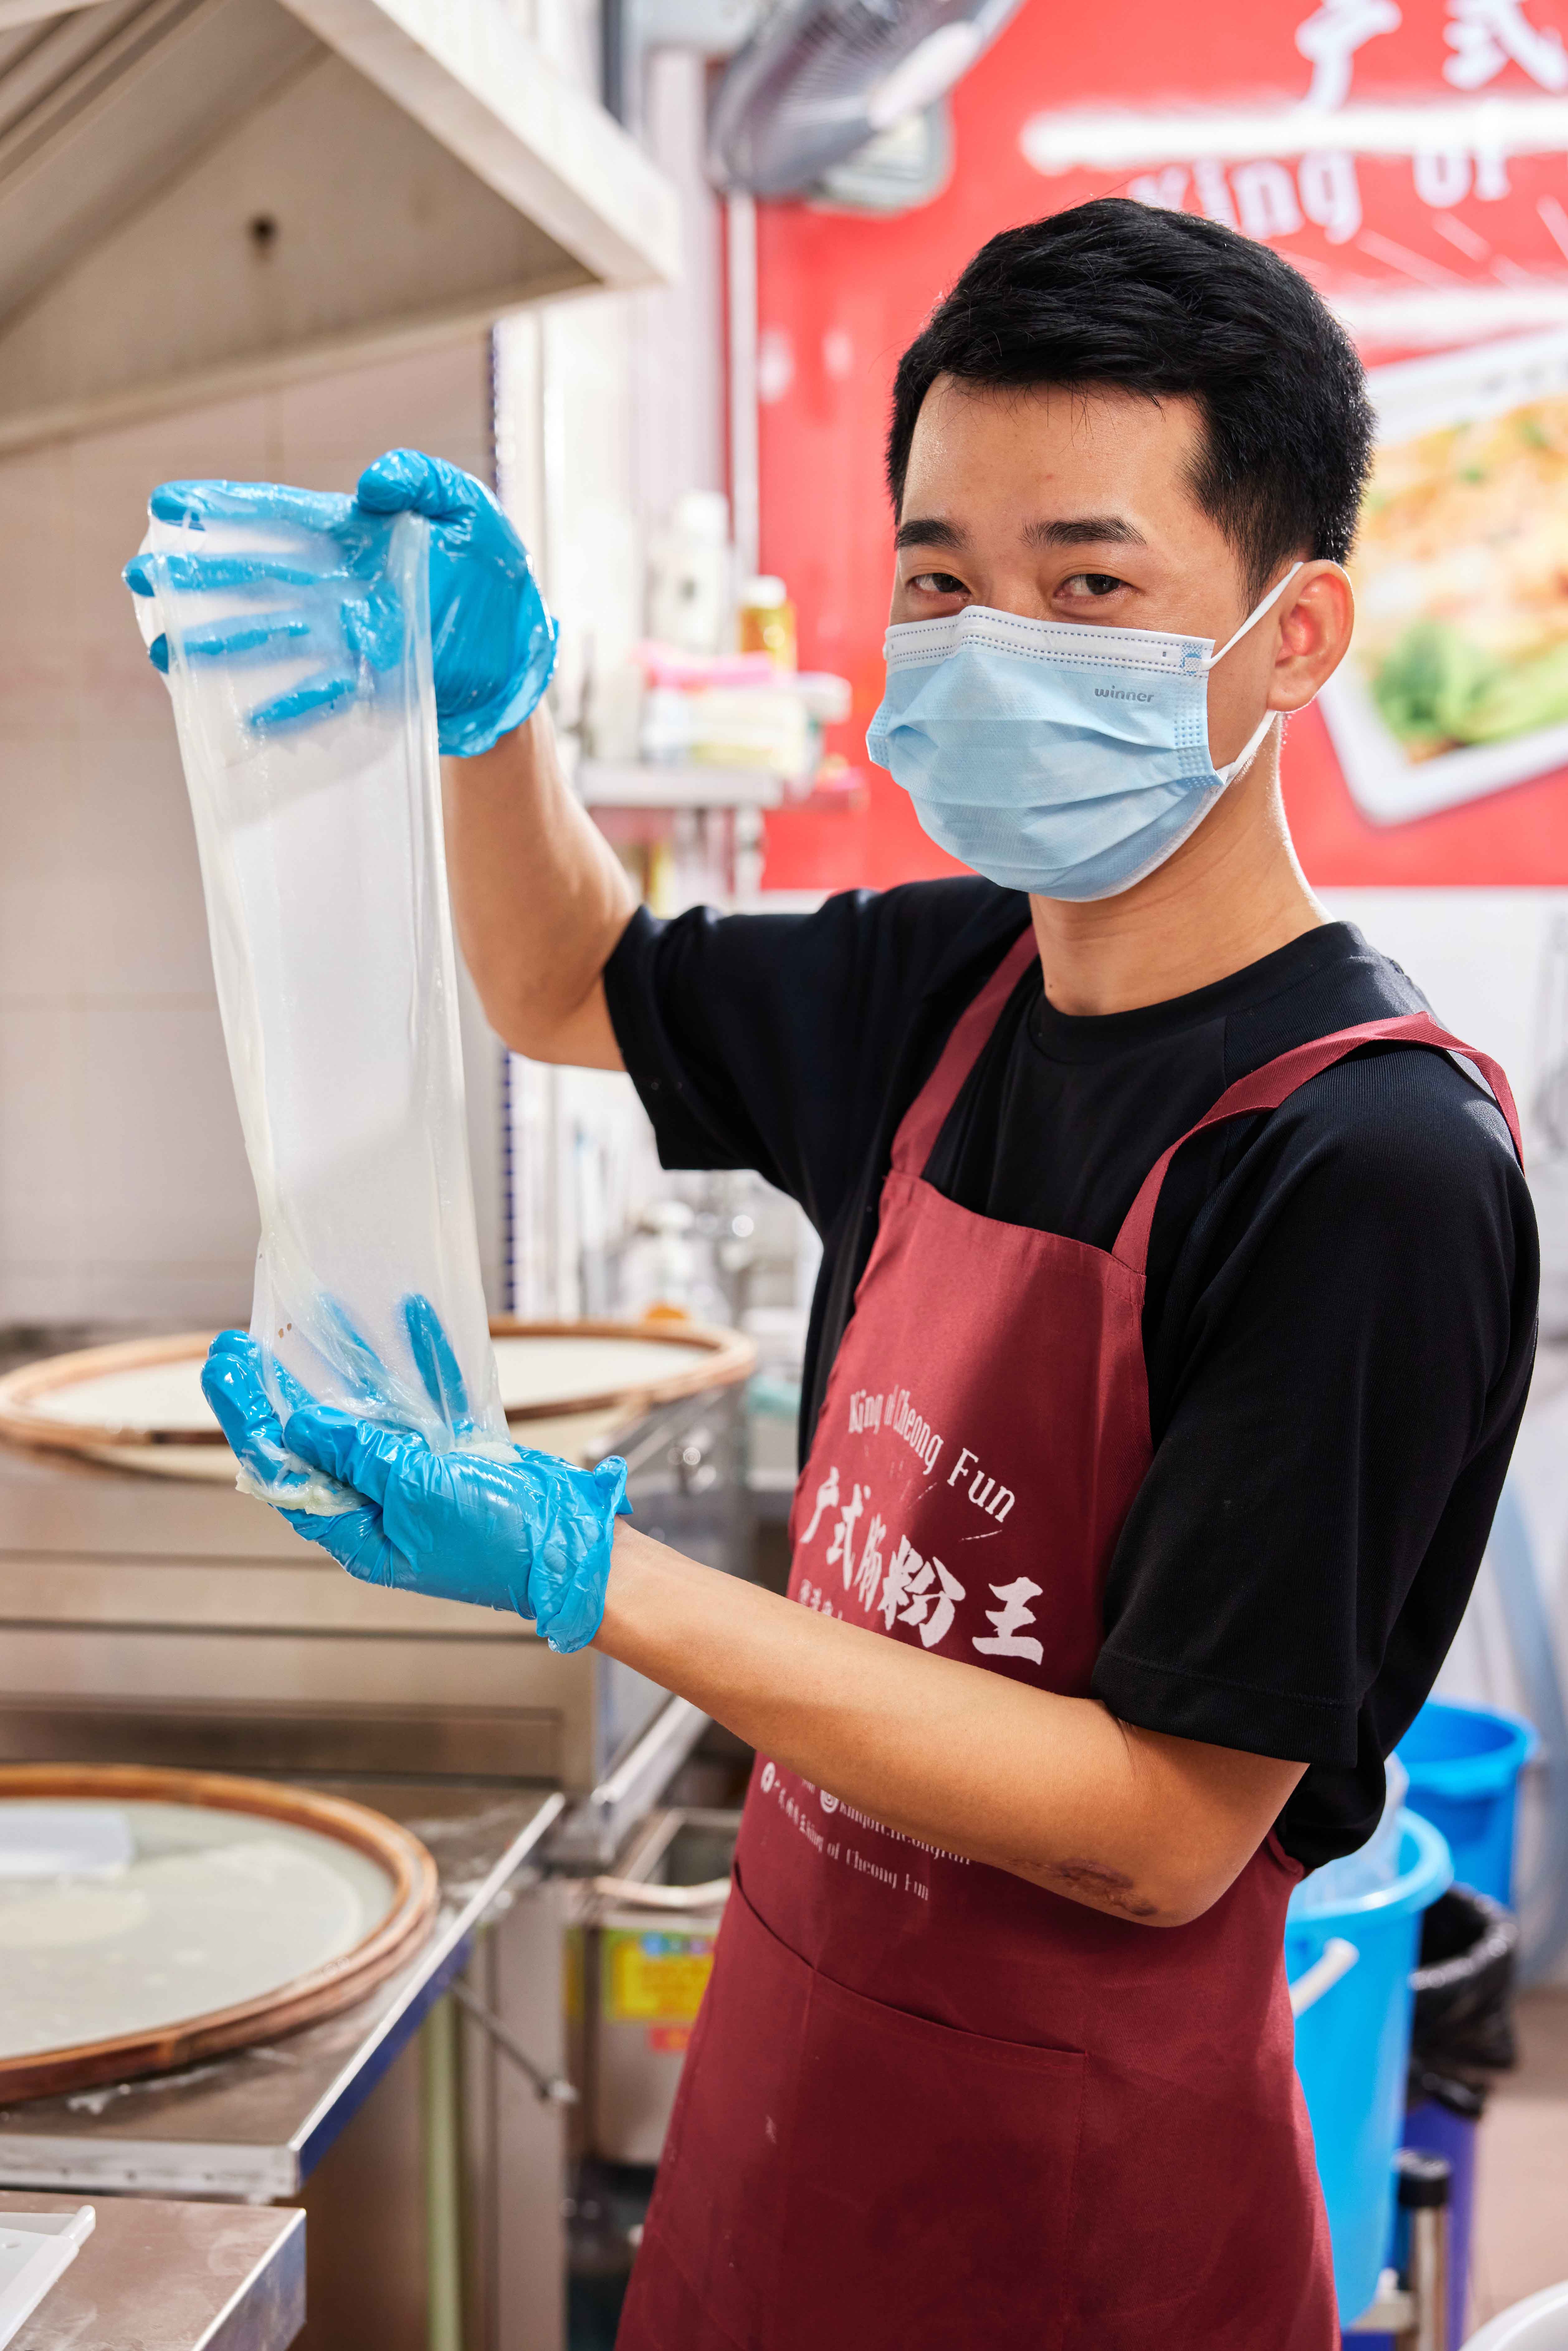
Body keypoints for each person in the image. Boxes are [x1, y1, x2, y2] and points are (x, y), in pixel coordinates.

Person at [140, 199, 1537, 2347]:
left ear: (1299, 630)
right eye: (941, 579)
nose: (993, 642)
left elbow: (1166, 1828)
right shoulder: (950, 981)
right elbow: (563, 980)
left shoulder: (1371, 1162)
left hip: (1082, 2211)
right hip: (792, 2113)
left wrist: (589, 1574)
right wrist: (488, 712)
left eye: (1090, 584)